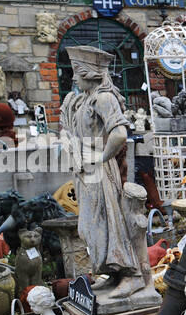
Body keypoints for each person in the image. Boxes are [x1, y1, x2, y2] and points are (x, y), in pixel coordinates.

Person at [60, 46, 152, 300]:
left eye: (76, 73)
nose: (73, 78)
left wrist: (100, 158)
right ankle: (113, 273)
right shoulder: (84, 99)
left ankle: (131, 277)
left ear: (87, 73)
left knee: (109, 222)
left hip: (100, 170)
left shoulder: (103, 98)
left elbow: (120, 133)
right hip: (85, 170)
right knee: (91, 226)